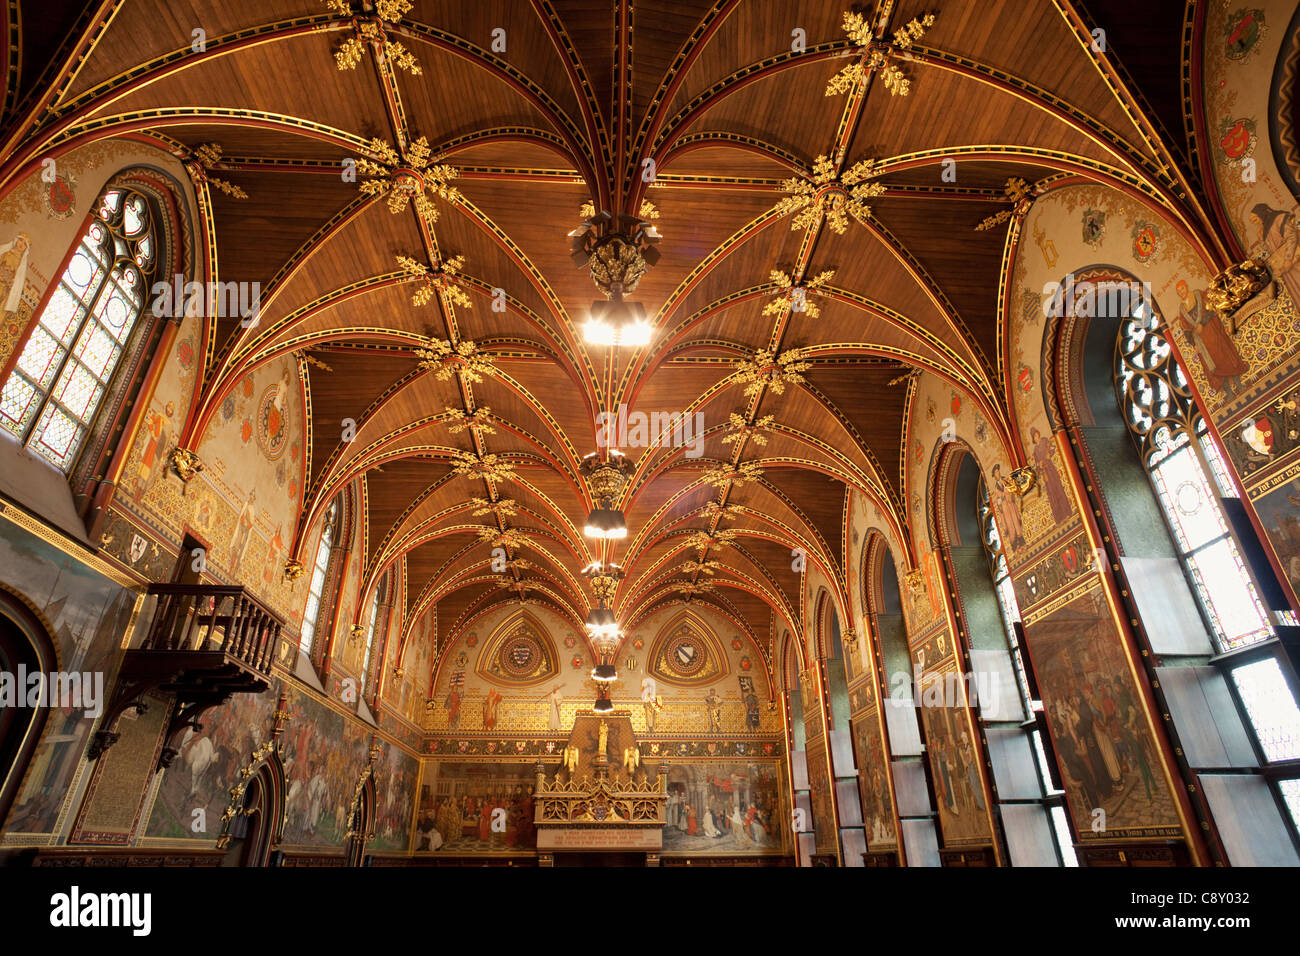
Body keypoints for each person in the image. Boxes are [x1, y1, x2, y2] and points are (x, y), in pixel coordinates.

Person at [1175, 280, 1246, 395]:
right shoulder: (1182, 309)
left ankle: (1239, 384)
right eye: (1178, 291)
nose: (1181, 292)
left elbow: (1211, 308)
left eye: (1182, 289)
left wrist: (1202, 323)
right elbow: (1186, 329)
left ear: (1186, 287)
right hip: (1202, 342)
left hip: (1212, 332)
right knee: (1213, 366)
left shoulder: (1199, 295)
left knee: (1225, 357)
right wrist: (1194, 344)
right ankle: (1229, 392)